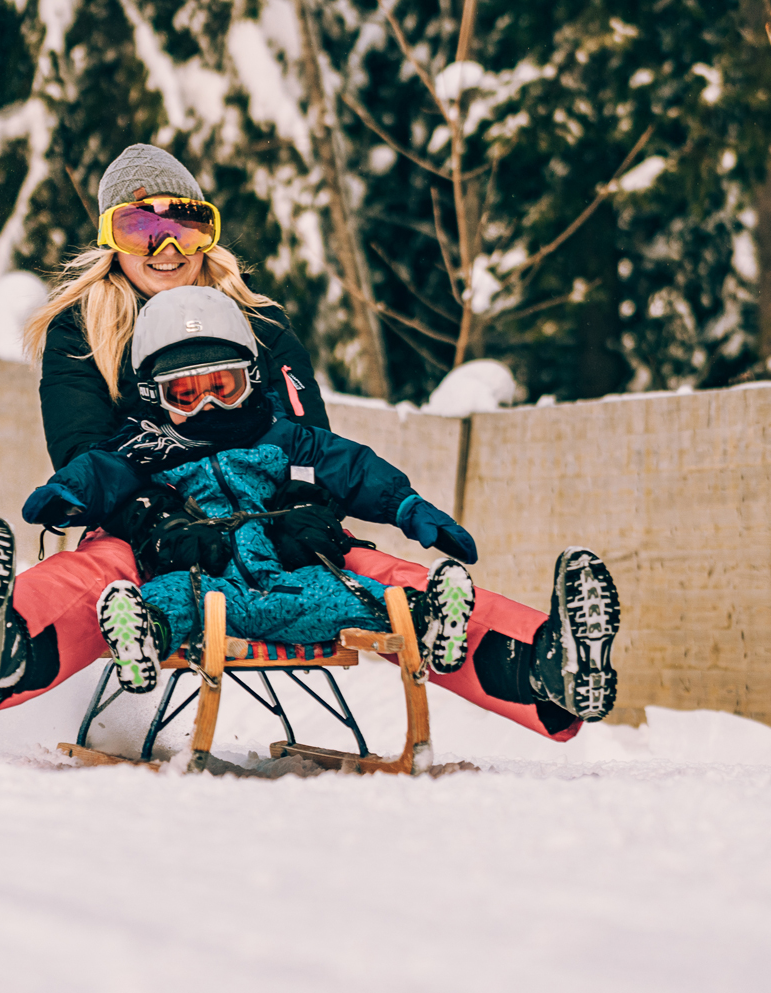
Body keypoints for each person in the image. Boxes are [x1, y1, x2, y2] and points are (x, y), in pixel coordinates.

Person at [0, 143, 618, 739]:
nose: (166, 248)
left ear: (207, 235)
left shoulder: (259, 325)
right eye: (142, 227)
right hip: (150, 522)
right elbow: (84, 453)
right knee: (102, 574)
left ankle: (544, 664)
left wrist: (304, 515)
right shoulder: (84, 328)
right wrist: (152, 512)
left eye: (184, 225)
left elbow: (310, 443)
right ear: (112, 238)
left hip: (272, 517)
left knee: (389, 582)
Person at [26, 287, 484, 697]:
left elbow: (350, 466)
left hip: (283, 579)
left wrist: (406, 506)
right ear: (154, 394)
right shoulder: (147, 446)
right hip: (201, 580)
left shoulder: (278, 434)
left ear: (251, 379)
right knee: (169, 599)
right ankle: (140, 637)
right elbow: (102, 470)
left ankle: (430, 619)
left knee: (346, 593)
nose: (209, 405)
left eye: (224, 387)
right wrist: (65, 495)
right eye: (185, 393)